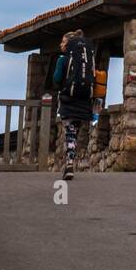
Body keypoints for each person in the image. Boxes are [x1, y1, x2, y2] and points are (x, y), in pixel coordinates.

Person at [52, 30, 94, 180]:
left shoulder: (62, 59)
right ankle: (70, 162)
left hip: (68, 99)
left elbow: (56, 79)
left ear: (69, 45)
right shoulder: (86, 59)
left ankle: (69, 164)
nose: (60, 44)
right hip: (83, 100)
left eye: (63, 42)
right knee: (73, 133)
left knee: (69, 132)